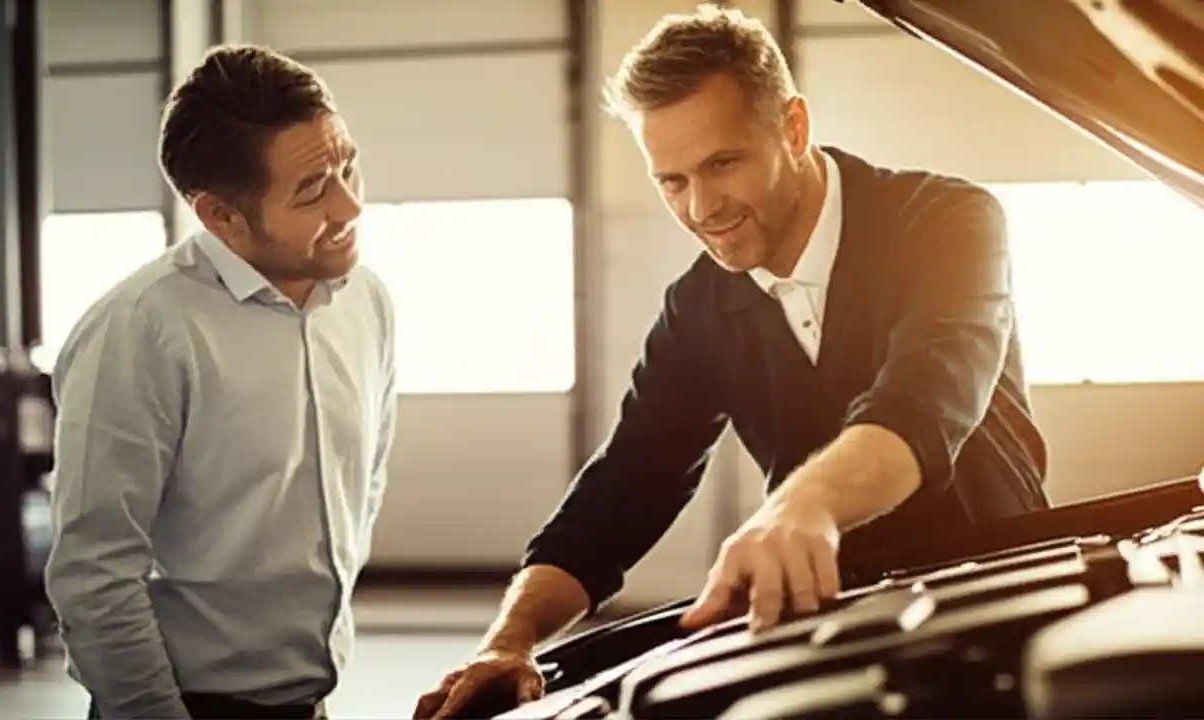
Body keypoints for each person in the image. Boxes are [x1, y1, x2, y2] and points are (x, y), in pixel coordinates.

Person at [414, 5, 1049, 718]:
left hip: (995, 603)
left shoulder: (946, 222)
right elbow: (627, 484)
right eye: (672, 182)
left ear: (794, 129)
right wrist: (509, 639)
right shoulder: (698, 308)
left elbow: (927, 398)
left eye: (723, 163)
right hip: (829, 626)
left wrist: (801, 506)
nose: (702, 207)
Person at [44, 44, 396, 720]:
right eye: (312, 189)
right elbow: (94, 574)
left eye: (348, 164)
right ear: (219, 216)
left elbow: (364, 486)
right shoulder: (141, 329)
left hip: (313, 702)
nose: (350, 204)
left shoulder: (365, 300)